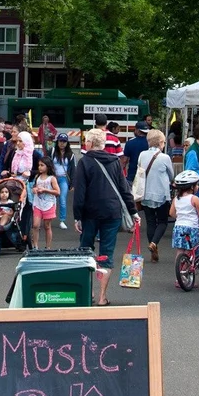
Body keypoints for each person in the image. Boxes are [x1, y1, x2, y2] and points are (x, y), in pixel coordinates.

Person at [70, 128, 136, 303]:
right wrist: (134, 211)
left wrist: (77, 216)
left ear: (90, 143)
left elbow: (79, 193)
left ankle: (88, 293)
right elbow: (124, 189)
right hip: (112, 212)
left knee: (86, 252)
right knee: (106, 253)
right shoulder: (115, 161)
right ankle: (102, 297)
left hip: (90, 213)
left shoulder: (84, 162)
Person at [136, 129, 174, 262]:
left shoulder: (142, 155)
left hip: (145, 193)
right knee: (163, 221)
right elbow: (171, 175)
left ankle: (154, 248)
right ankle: (154, 243)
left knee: (150, 222)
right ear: (160, 142)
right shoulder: (165, 158)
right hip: (161, 194)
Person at [170, 170, 199, 258]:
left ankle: (179, 269)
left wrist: (181, 217)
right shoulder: (194, 198)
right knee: (189, 250)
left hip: (178, 227)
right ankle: (186, 270)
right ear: (191, 187)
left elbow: (171, 213)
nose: (198, 186)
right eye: (197, 184)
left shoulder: (176, 199)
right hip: (192, 227)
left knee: (180, 251)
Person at [29, 157, 60, 250]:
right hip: (38, 203)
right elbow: (34, 187)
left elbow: (58, 192)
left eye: (42, 165)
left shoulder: (52, 178)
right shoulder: (37, 177)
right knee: (35, 225)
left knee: (47, 226)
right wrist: (34, 189)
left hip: (49, 203)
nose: (40, 167)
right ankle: (35, 246)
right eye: (39, 165)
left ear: (48, 166)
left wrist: (45, 190)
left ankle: (48, 247)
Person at [50, 134, 74, 228]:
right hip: (53, 178)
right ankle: (48, 218)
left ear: (67, 143)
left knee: (62, 199)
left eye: (64, 141)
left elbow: (73, 169)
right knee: (51, 199)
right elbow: (47, 163)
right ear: (57, 142)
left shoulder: (70, 154)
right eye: (60, 141)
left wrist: (72, 183)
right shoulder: (52, 151)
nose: (62, 143)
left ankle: (62, 220)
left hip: (64, 179)